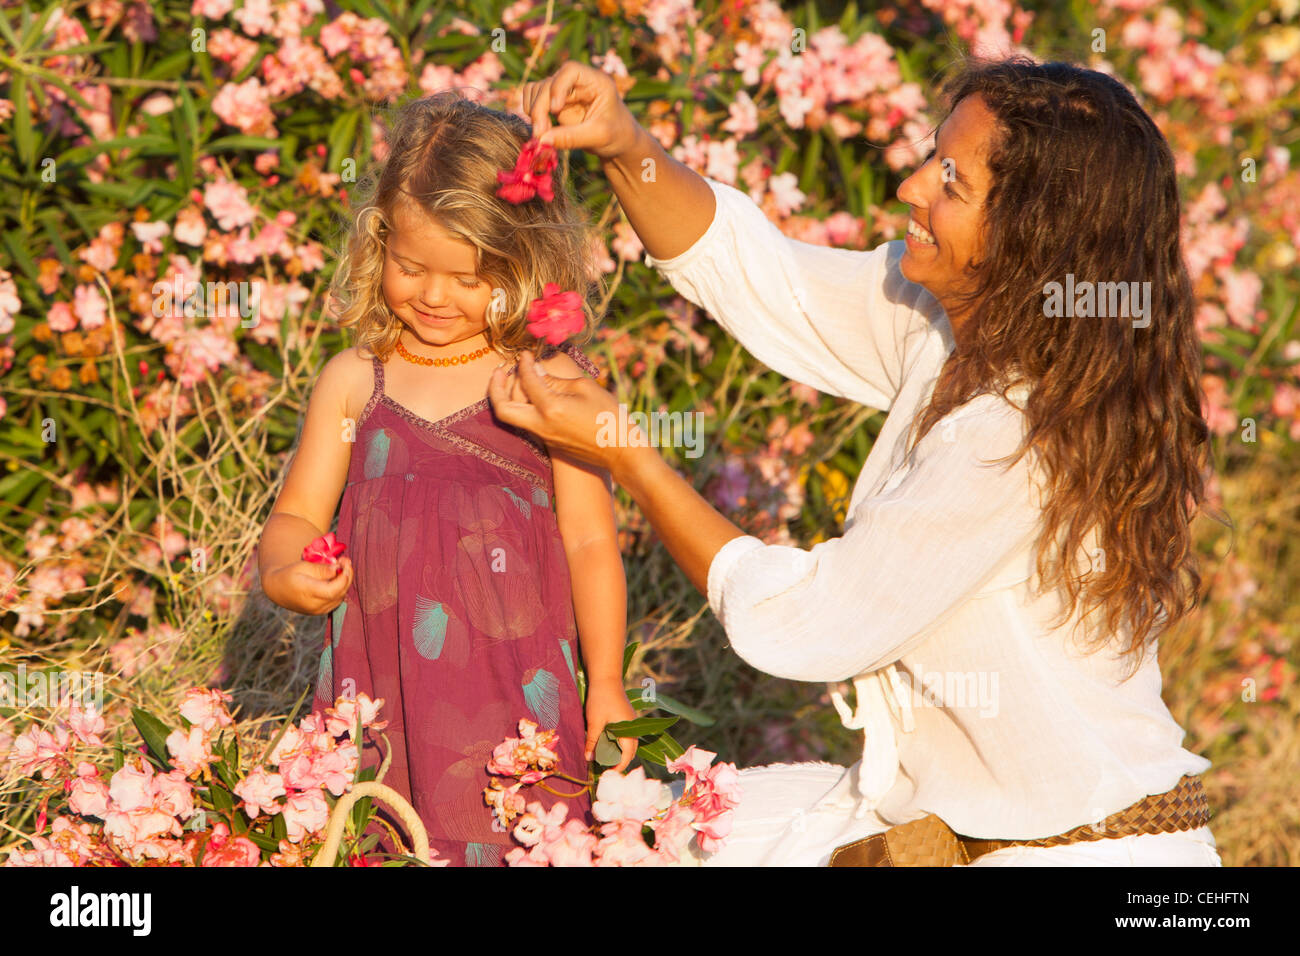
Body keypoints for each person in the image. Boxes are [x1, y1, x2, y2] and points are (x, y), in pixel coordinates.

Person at [486, 57, 1225, 866]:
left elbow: (808, 624)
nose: (911, 187)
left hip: (1077, 851)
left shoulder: (1016, 432)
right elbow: (762, 277)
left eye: (952, 180)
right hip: (972, 832)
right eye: (930, 156)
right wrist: (626, 144)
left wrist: (628, 454)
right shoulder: (955, 321)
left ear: (1033, 238)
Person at [256, 90, 636, 867]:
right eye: (409, 265)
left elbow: (593, 541)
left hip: (518, 712)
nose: (433, 296)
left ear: (521, 264)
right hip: (381, 709)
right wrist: (286, 573)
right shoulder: (355, 382)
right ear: (379, 241)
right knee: (379, 843)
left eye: (467, 278)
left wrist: (609, 688)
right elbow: (296, 514)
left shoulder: (548, 383)